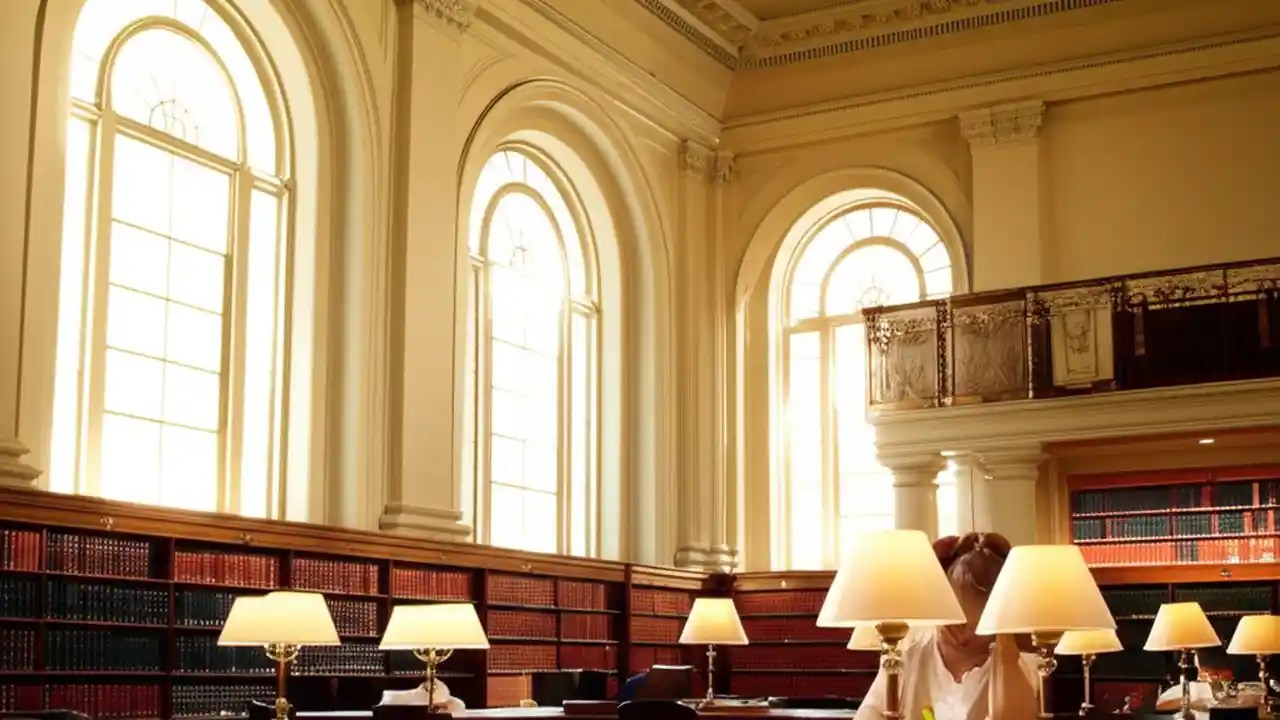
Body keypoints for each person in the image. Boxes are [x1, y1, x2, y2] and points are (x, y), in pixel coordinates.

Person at [854, 532, 1039, 720]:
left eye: (975, 620)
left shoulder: (1023, 666)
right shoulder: (907, 655)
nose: (961, 629)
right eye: (954, 615)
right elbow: (869, 714)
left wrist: (1007, 656)